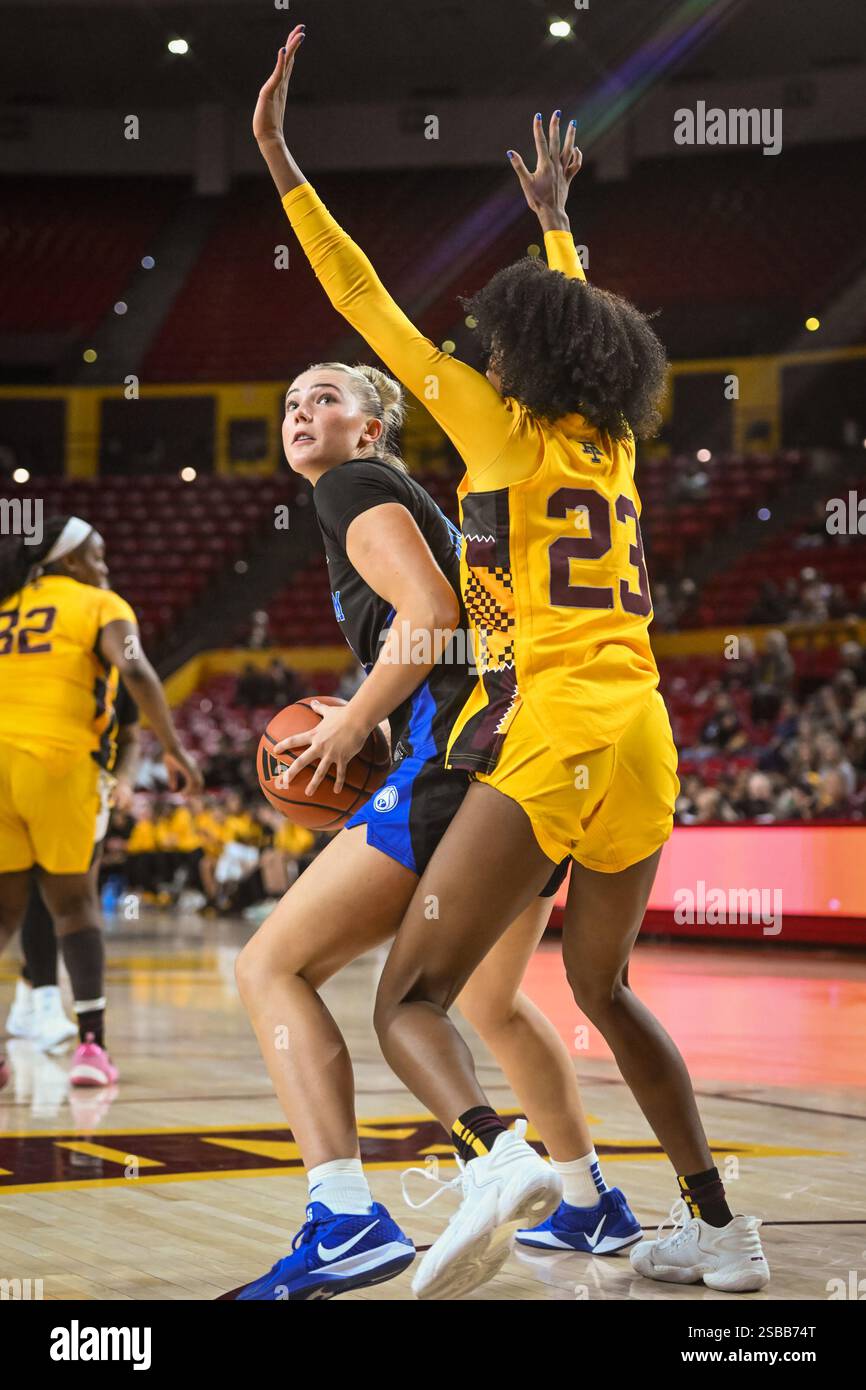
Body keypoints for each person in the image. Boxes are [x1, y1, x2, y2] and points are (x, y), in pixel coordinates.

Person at [257, 25, 770, 1299]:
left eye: (497, 338)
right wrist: (555, 231)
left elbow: (361, 297)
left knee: (406, 1001)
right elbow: (582, 326)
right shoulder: (612, 440)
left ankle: (496, 1158)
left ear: (514, 361)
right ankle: (717, 1225)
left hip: (543, 719)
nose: (480, 349)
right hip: (642, 727)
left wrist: (280, 160)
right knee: (599, 986)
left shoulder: (489, 421)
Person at [0, 516, 202, 1091]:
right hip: (58, 761)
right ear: (69, 561)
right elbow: (134, 666)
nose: (106, 568)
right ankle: (92, 1047)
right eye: (99, 555)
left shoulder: (7, 604)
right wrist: (176, 751)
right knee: (74, 906)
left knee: (4, 912)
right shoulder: (100, 604)